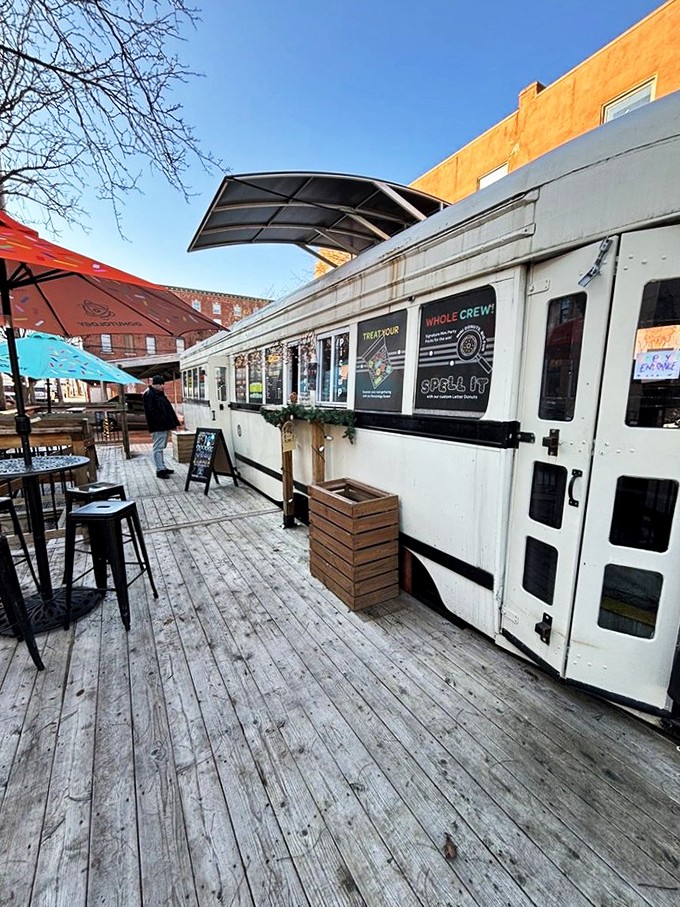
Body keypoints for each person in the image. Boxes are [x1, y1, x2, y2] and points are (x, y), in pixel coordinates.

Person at [142, 375, 179, 478]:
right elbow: (151, 412)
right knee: (158, 447)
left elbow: (167, 409)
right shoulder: (150, 395)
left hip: (163, 425)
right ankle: (160, 469)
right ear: (155, 384)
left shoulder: (157, 394)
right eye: (161, 384)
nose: (163, 386)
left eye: (163, 384)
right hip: (158, 426)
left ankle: (162, 467)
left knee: (161, 447)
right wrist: (163, 421)